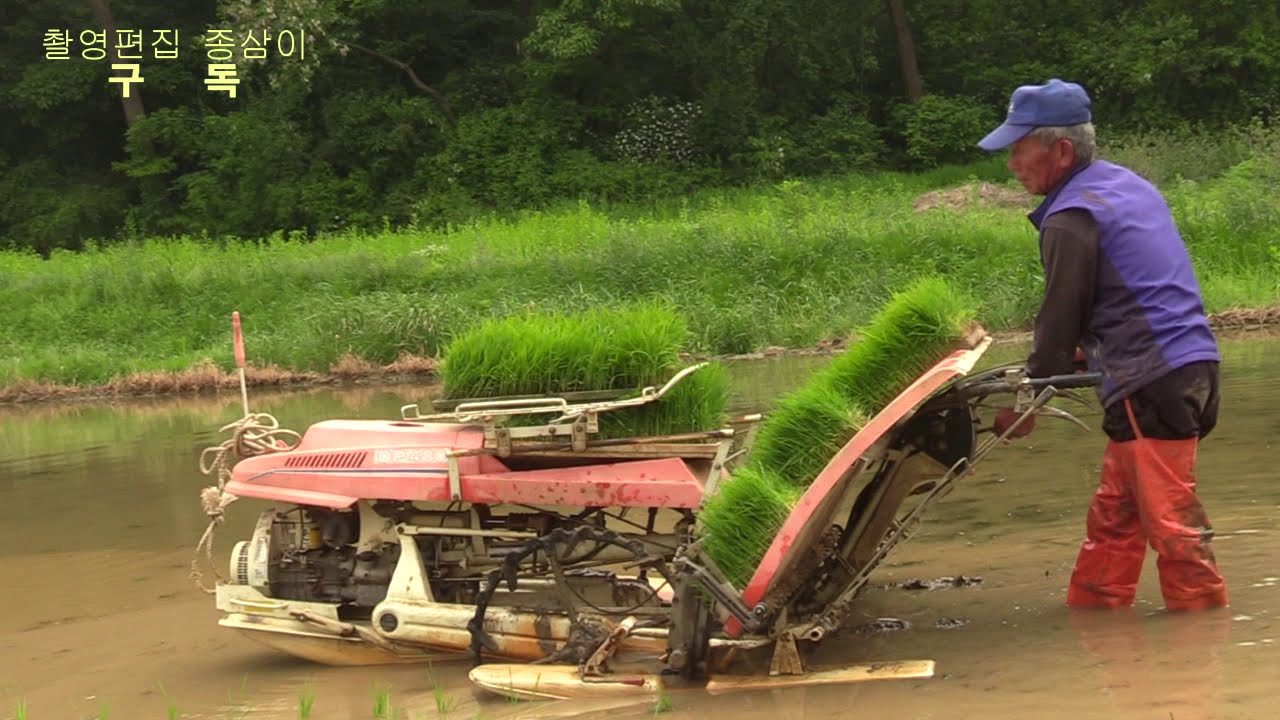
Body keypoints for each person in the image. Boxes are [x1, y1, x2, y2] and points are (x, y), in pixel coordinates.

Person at [975, 78, 1229, 611]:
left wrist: (1030, 398)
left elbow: (1060, 315)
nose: (1011, 164)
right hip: (1188, 366)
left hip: (1150, 379)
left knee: (1170, 521)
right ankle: (1095, 615)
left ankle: (1204, 629)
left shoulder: (1070, 218)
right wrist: (1083, 352)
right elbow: (1134, 293)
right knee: (1117, 511)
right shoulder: (1125, 187)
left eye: (1019, 149)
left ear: (1060, 150)